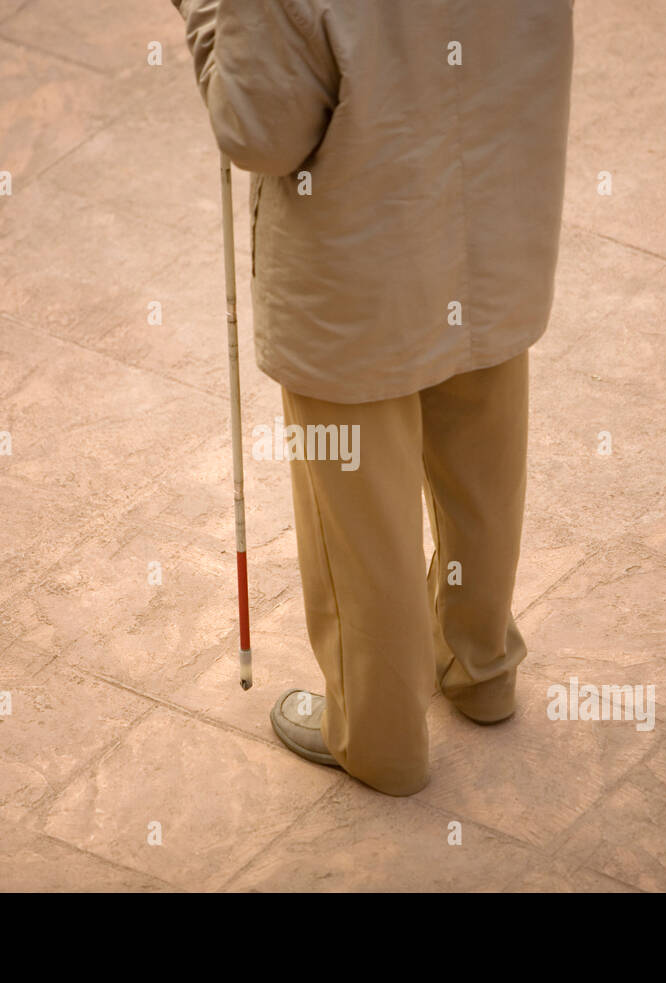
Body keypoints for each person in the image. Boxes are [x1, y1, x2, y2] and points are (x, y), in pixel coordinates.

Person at [169, 0, 574, 796]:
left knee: (359, 522)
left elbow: (260, 132)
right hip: (495, 217)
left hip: (358, 260)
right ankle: (480, 665)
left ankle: (379, 736)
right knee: (482, 456)